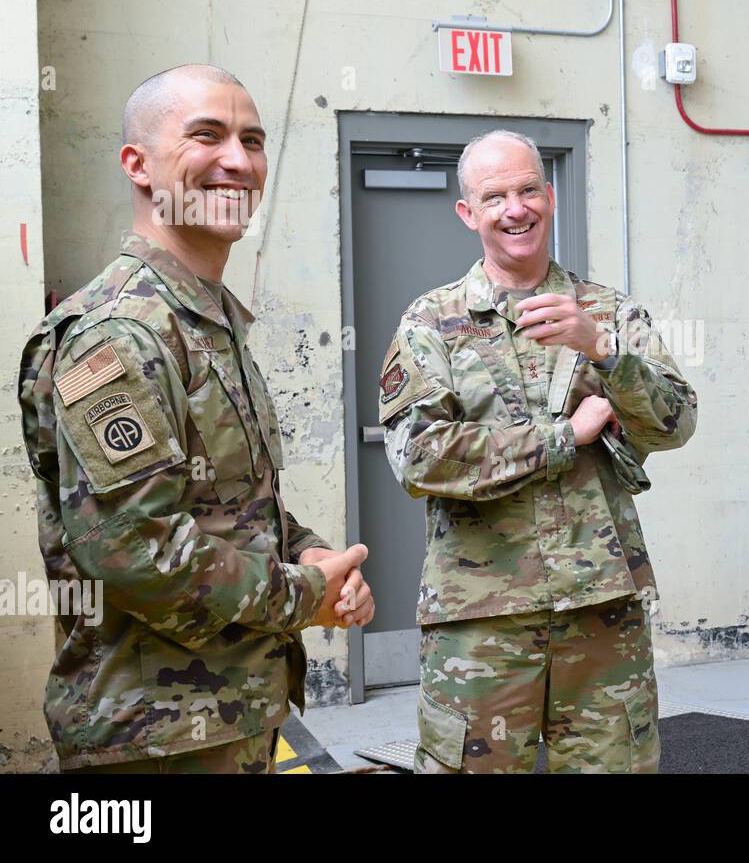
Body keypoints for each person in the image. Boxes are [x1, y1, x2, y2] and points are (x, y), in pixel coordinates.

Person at [17, 64, 374, 773]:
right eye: (206, 136)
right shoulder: (118, 334)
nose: (239, 161)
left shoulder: (206, 324)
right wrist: (307, 596)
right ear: (138, 164)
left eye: (253, 140)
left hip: (225, 717)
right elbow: (136, 552)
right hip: (156, 736)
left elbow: (234, 509)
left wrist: (309, 553)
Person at [380, 129, 697, 773]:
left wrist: (604, 351)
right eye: (495, 197)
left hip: (601, 610)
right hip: (483, 619)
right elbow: (419, 456)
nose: (516, 208)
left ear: (550, 199)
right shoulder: (430, 321)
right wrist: (563, 438)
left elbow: (677, 422)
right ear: (468, 214)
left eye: (528, 190)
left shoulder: (608, 312)